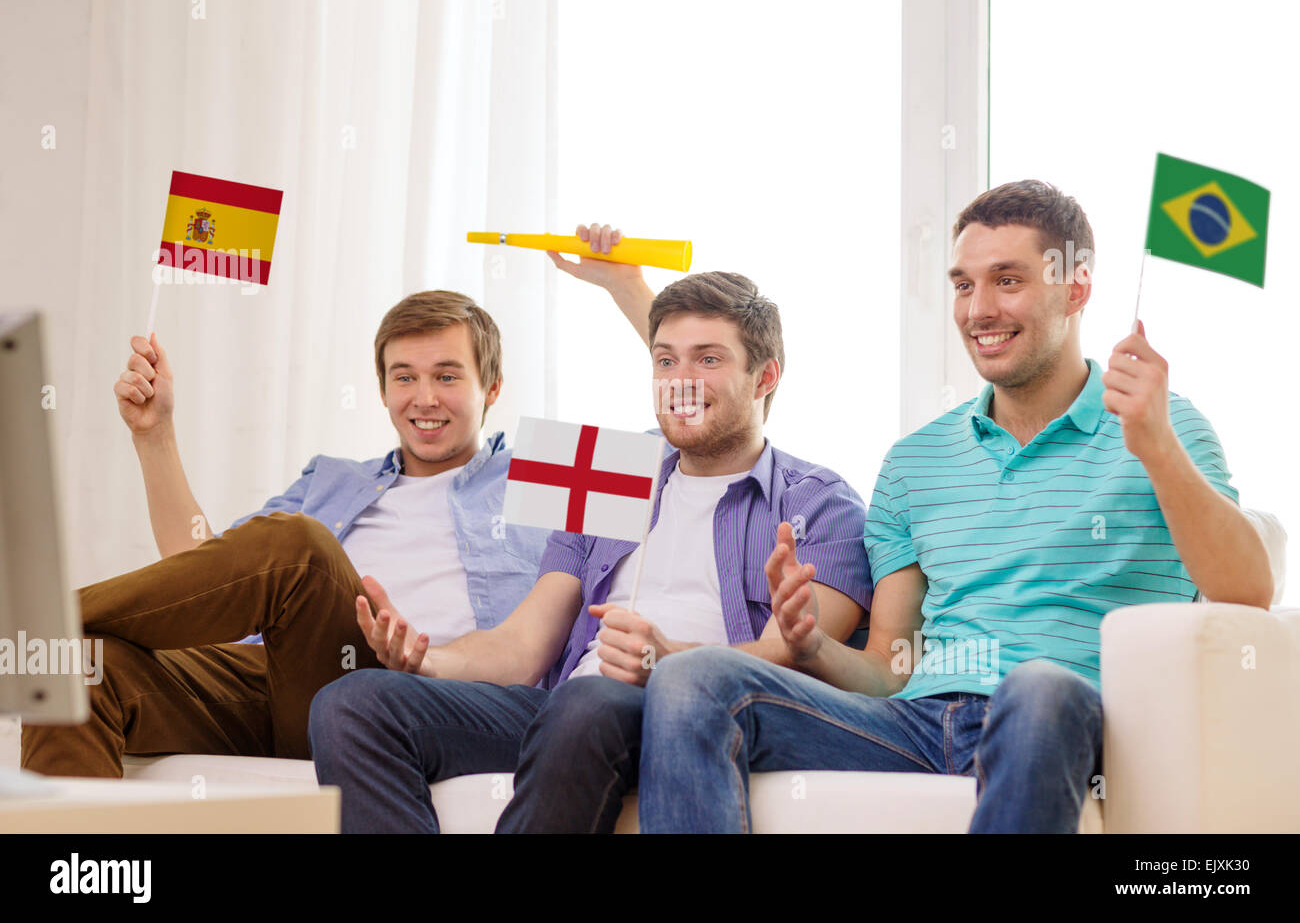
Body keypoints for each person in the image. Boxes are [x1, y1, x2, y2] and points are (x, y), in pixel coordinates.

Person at [634, 180, 1273, 833]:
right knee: (695, 679)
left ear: (1076, 288)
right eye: (964, 285)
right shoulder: (915, 462)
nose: (978, 310)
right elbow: (887, 668)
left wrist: (1157, 448)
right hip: (916, 723)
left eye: (1007, 281)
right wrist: (811, 646)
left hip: (1060, 716)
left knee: (1039, 686)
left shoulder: (1165, 426)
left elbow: (1247, 588)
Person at [307, 262, 873, 833]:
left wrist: (670, 658)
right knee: (352, 702)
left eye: (708, 359)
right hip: (565, 709)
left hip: (687, 715)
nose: (680, 380)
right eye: (665, 360)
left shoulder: (819, 503)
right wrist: (426, 659)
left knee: (591, 703)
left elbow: (795, 652)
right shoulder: (619, 471)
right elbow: (522, 646)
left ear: (766, 376)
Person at [21, 290, 551, 776]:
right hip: (279, 683)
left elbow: (636, 471)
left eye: (448, 376)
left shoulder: (538, 481)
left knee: (302, 547)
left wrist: (627, 287)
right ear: (384, 388)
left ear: (493, 387)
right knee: (79, 664)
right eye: (405, 377)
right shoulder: (334, 479)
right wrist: (154, 434)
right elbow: (204, 573)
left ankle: (25, 624)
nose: (424, 398)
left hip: (413, 699)